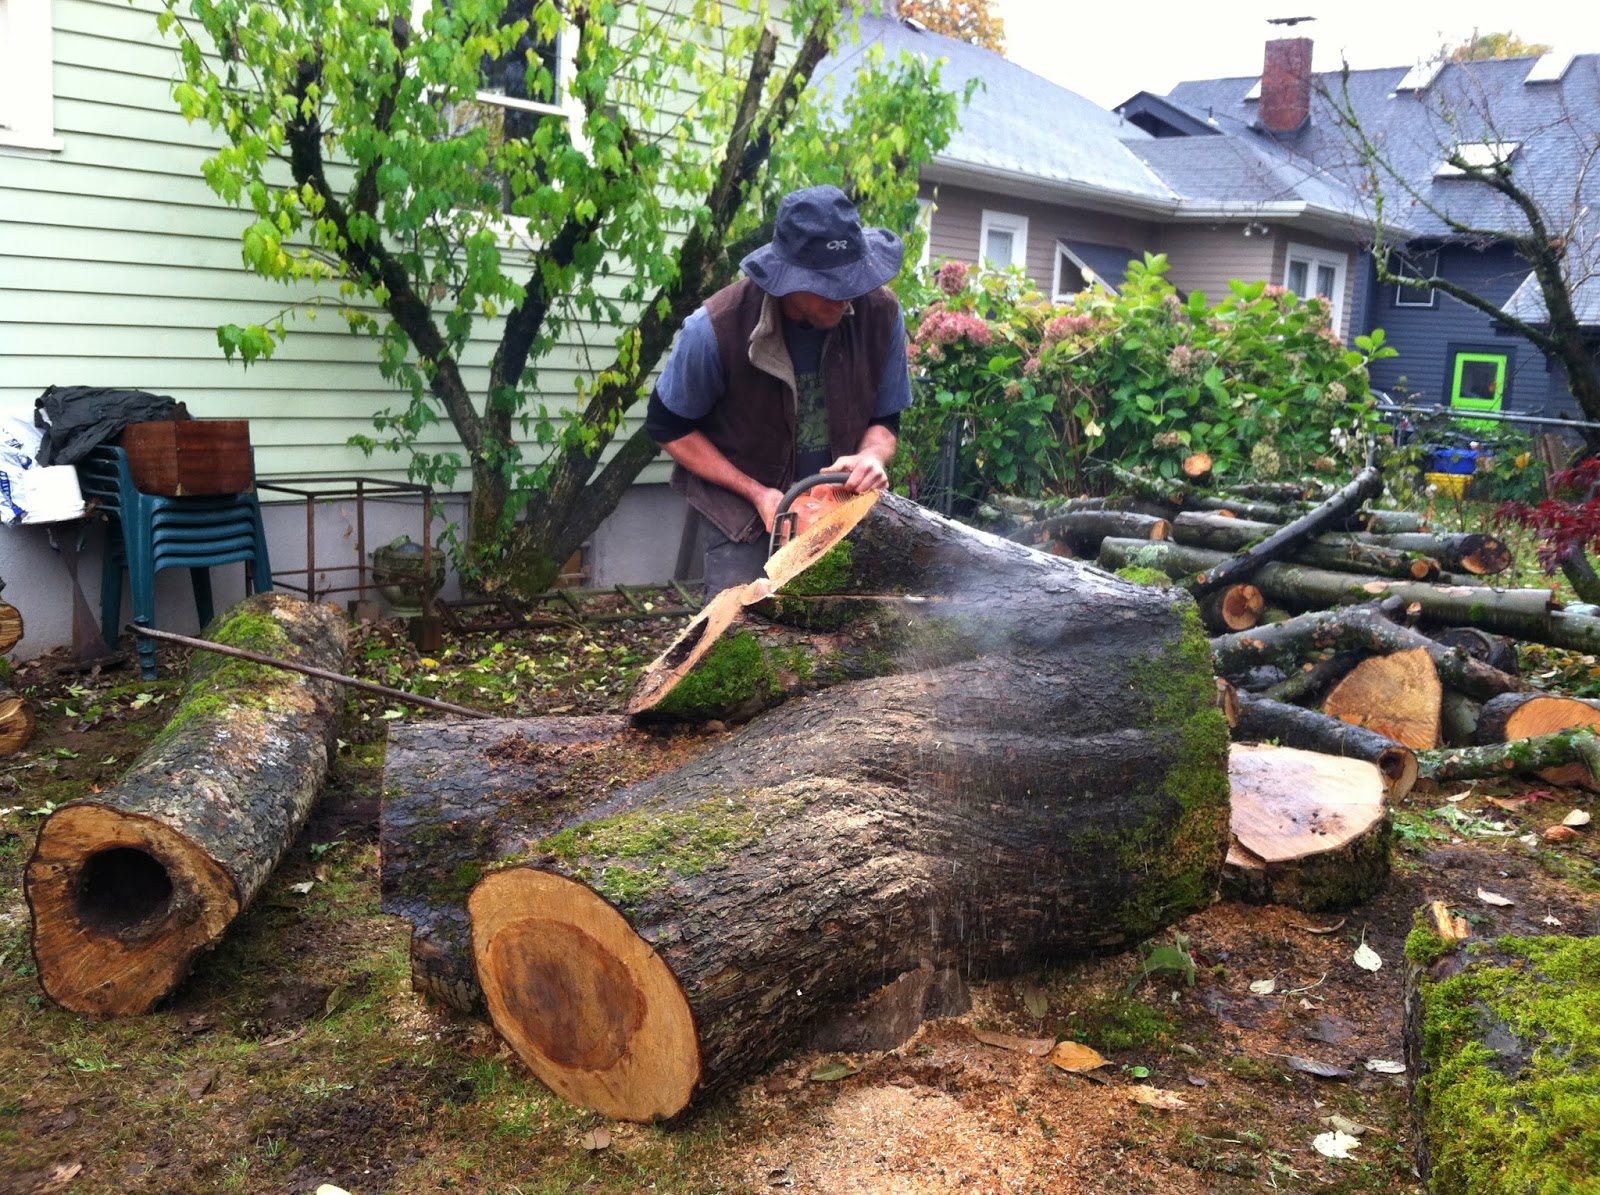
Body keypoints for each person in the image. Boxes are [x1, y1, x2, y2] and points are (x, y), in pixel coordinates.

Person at [646, 185, 912, 597]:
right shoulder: (715, 327)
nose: (843, 297)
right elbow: (668, 427)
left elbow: (885, 417)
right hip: (744, 516)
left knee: (841, 624)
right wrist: (758, 494)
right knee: (738, 626)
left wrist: (871, 456)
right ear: (786, 276)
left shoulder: (882, 314)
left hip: (839, 508)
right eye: (827, 285)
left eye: (851, 280)